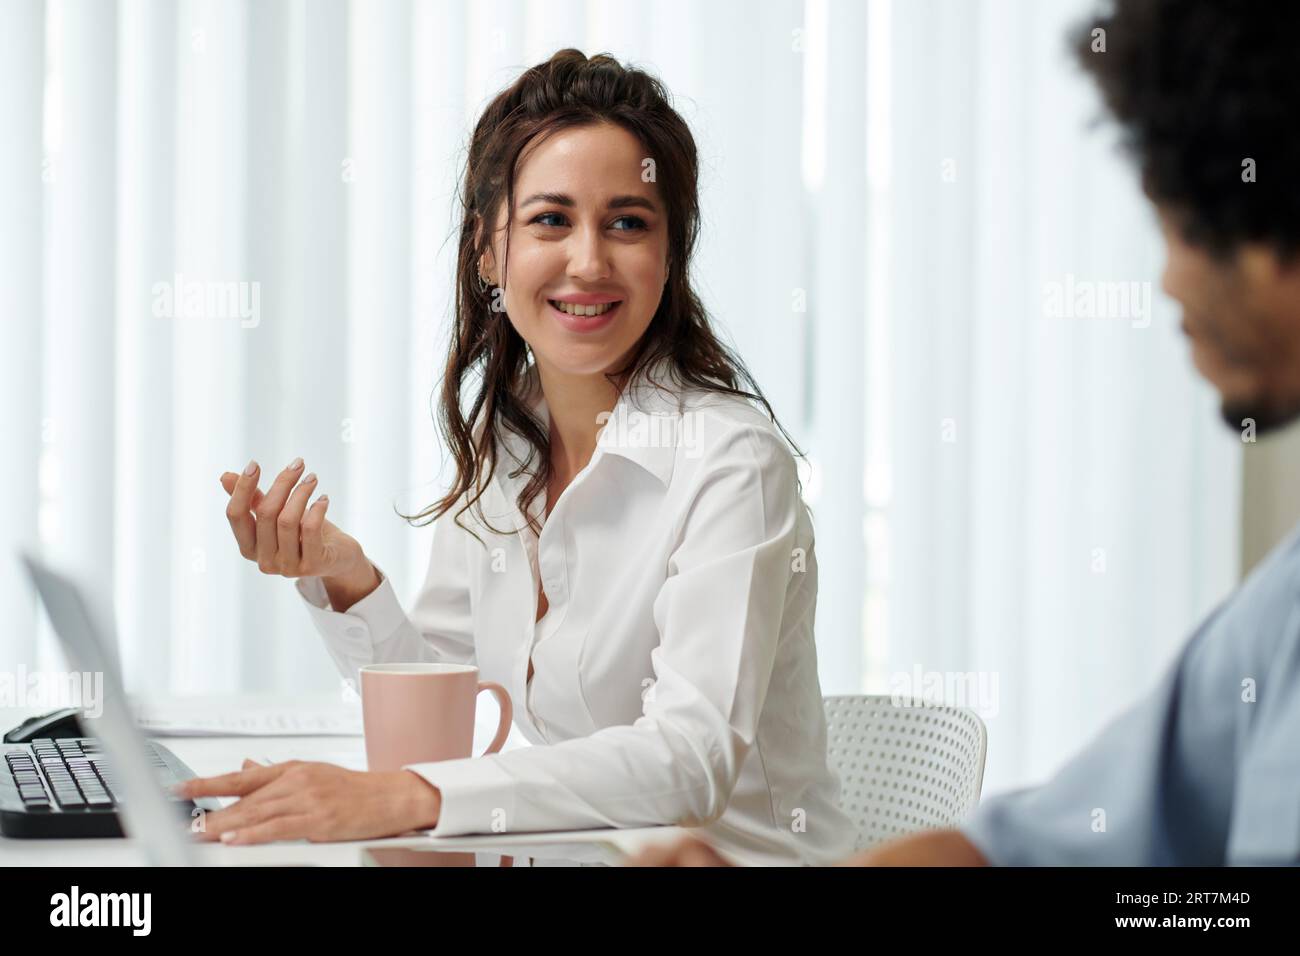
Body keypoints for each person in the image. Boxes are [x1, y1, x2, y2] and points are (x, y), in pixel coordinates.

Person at [628, 0, 1300, 867]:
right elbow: (1043, 851)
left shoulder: (732, 458)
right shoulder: (1279, 615)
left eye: (1174, 226)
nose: (1168, 284)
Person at [176, 49, 858, 867]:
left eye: (628, 222)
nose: (589, 261)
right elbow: (454, 712)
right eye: (550, 219)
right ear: (488, 253)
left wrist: (408, 797)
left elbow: (689, 758)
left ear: (669, 254)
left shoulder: (731, 462)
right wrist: (348, 578)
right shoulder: (508, 442)